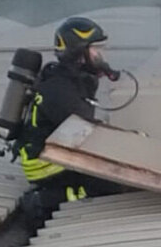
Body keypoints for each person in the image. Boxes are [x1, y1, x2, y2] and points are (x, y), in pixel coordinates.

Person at [16, 16, 125, 225]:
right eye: (96, 49)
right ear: (79, 52)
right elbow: (87, 131)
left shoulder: (72, 80)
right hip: (45, 163)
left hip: (57, 151)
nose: (102, 55)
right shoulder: (60, 89)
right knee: (110, 184)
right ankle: (43, 201)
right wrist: (129, 142)